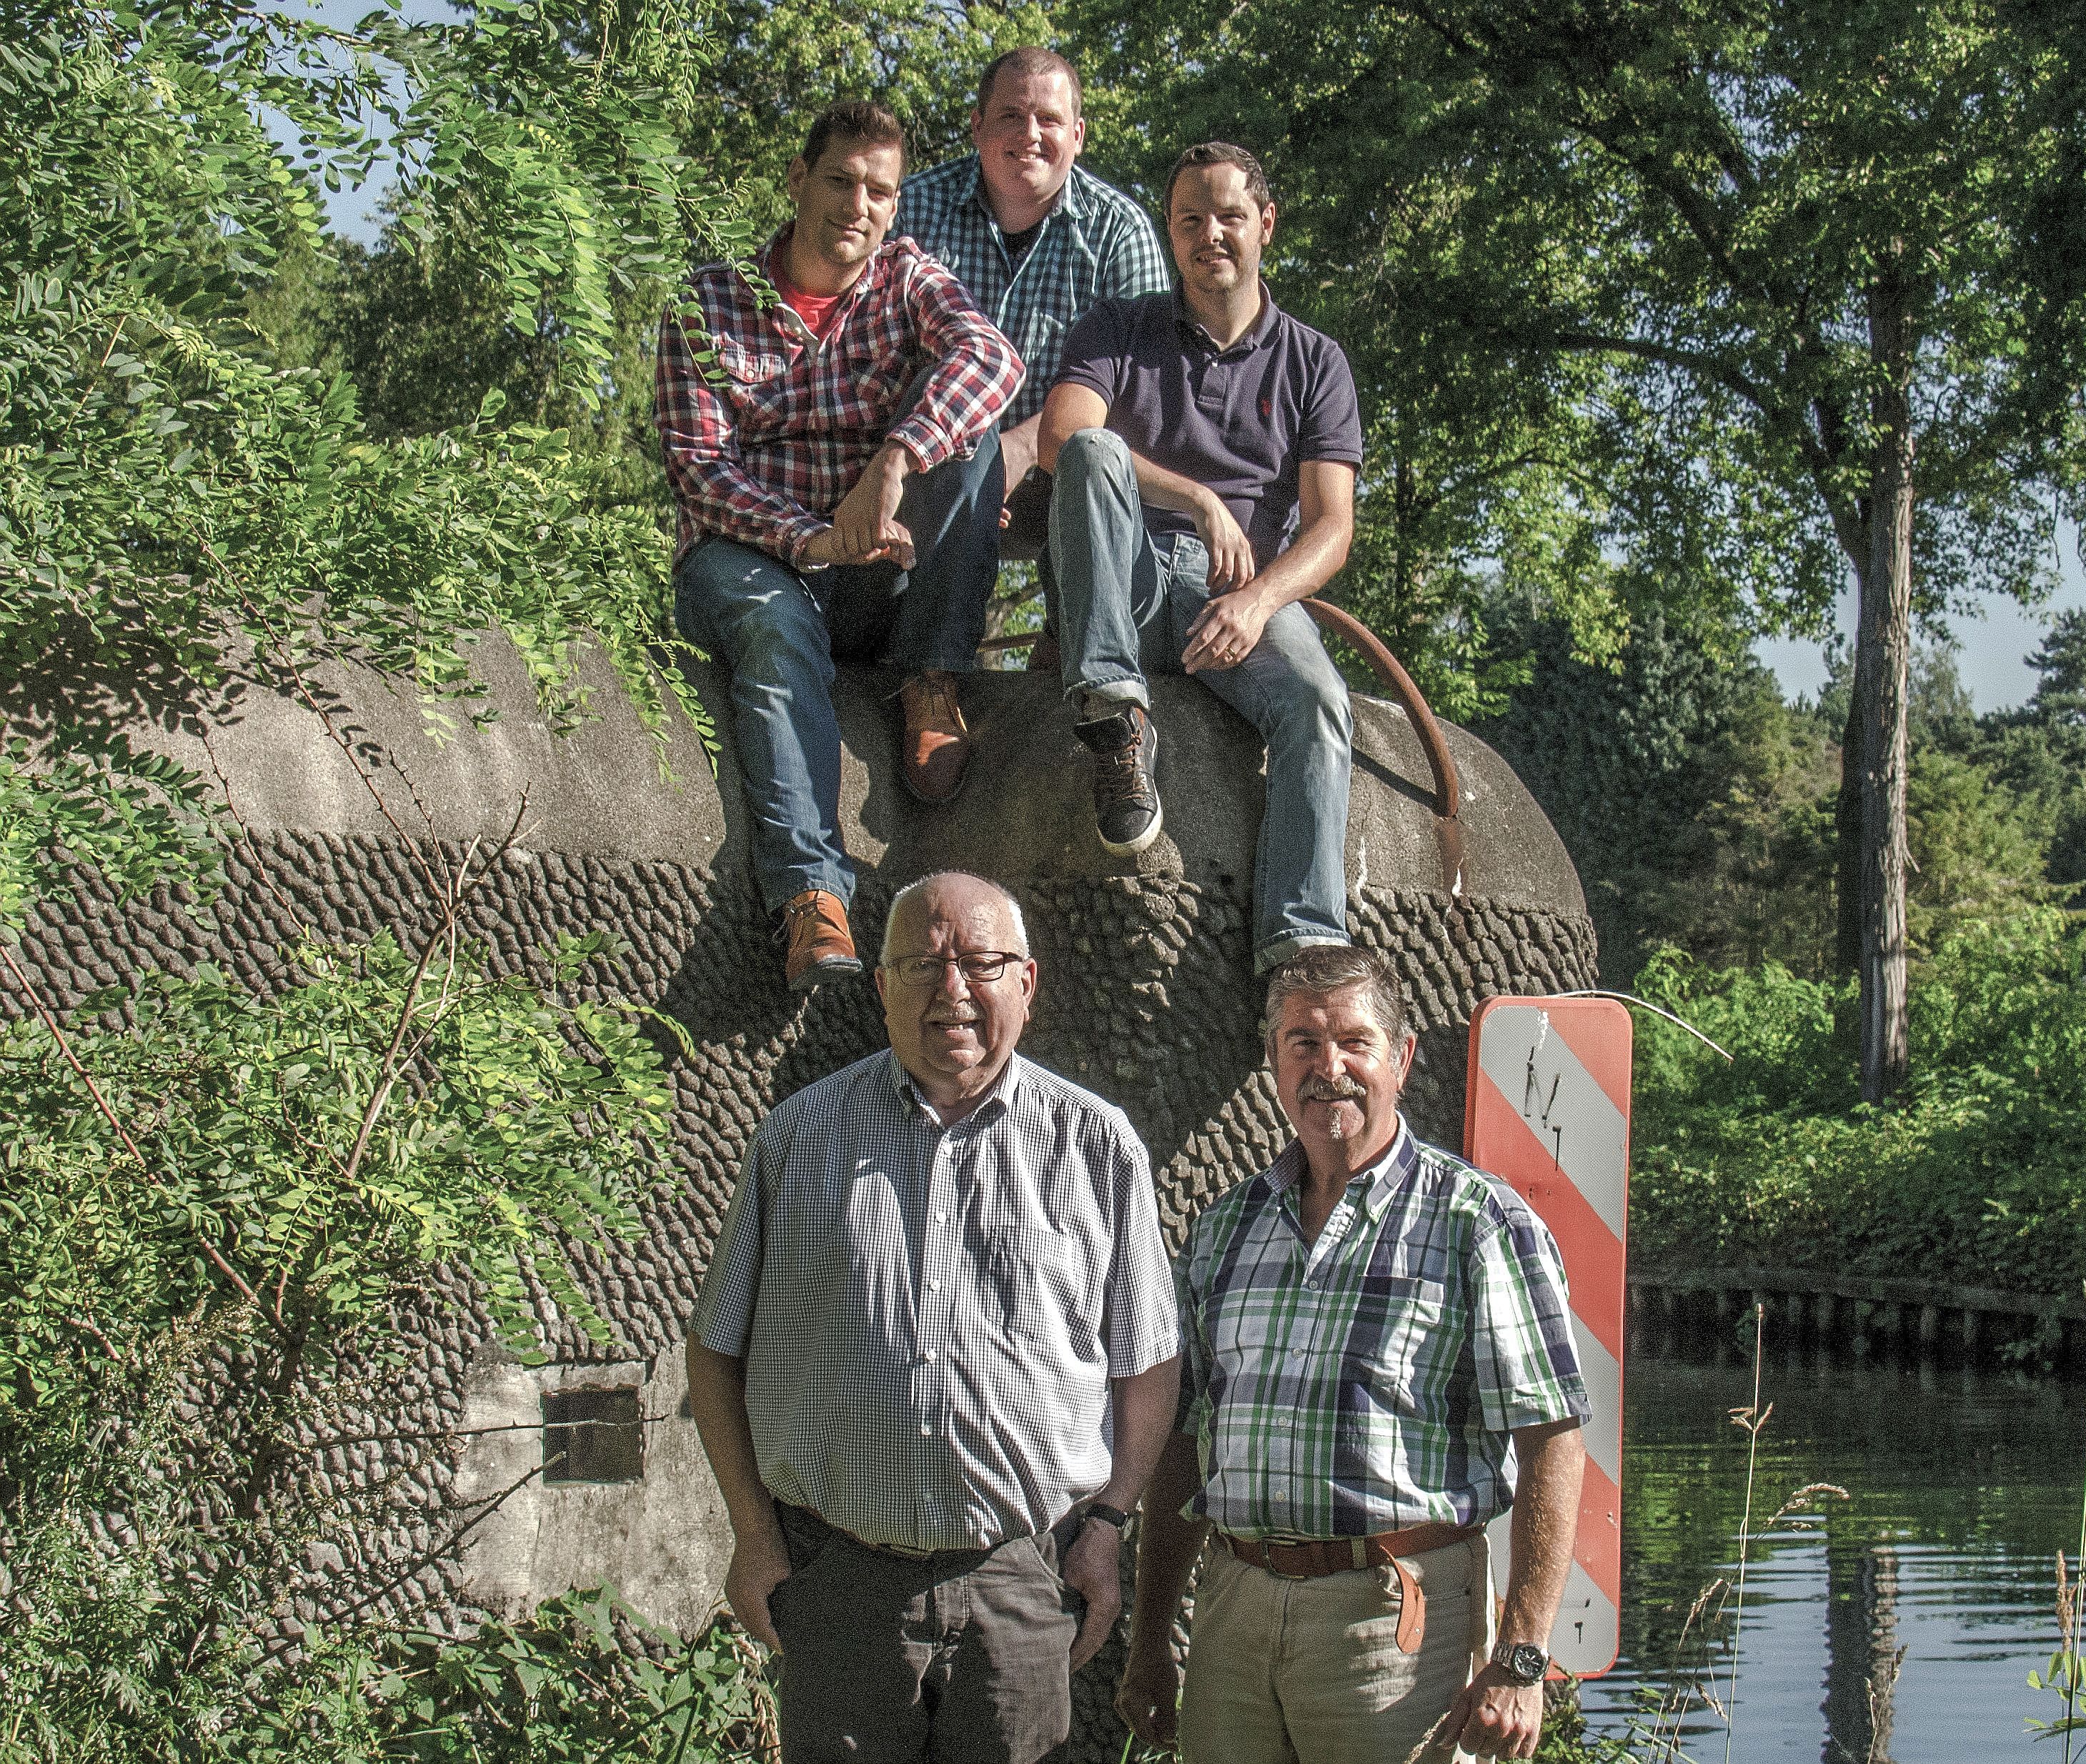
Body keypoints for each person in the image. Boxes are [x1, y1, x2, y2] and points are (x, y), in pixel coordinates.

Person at [684, 871, 1181, 1763]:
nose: (953, 989)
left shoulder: (1096, 1144)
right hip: (838, 1582)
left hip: (1022, 1581)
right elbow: (715, 1350)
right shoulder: (798, 1137)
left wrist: (1106, 1526)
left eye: (982, 963)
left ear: (1026, 984)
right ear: (882, 988)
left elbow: (1147, 1364)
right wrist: (754, 1534)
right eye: (922, 962)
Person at [1118, 946, 1591, 1763]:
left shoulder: (1477, 1225)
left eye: (1353, 1042)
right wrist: (1151, 1636)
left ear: (1400, 1059)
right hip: (1234, 1610)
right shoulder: (1225, 1229)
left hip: (1397, 1624)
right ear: (1272, 1062)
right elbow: (1184, 1445)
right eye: (1301, 1042)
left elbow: (1552, 1441)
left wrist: (1520, 1658)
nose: (1325, 1067)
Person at [657, 102, 1023, 992]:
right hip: (751, 559)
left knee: (968, 444)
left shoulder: (907, 279)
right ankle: (811, 894)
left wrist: (895, 459)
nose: (859, 204)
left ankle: (929, 678)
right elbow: (700, 470)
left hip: (875, 570)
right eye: (841, 180)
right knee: (771, 623)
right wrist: (811, 534)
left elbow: (993, 358)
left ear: (897, 205)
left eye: (880, 190)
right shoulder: (707, 302)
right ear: (797, 180)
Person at [1038, 142, 1360, 974]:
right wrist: (1198, 497)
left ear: (1266, 226)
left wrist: (1257, 601)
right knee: (1095, 451)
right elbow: (1061, 436)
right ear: (1170, 233)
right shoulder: (1119, 327)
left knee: (1320, 702)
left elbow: (1331, 528)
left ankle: (1303, 948)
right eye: (1189, 220)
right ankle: (1115, 724)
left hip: (1237, 596)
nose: (1208, 233)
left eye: (1228, 216)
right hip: (1124, 576)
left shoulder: (1314, 361)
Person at [891, 46, 1170, 573]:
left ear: (1078, 136)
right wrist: (963, 453)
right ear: (976, 127)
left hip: (1057, 479)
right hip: (920, 465)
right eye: (1011, 117)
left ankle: (1072, 636)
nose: (1030, 134)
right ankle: (921, 647)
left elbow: (1140, 392)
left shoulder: (1119, 232)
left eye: (1049, 119)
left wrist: (1021, 448)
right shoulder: (910, 208)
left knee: (1109, 448)